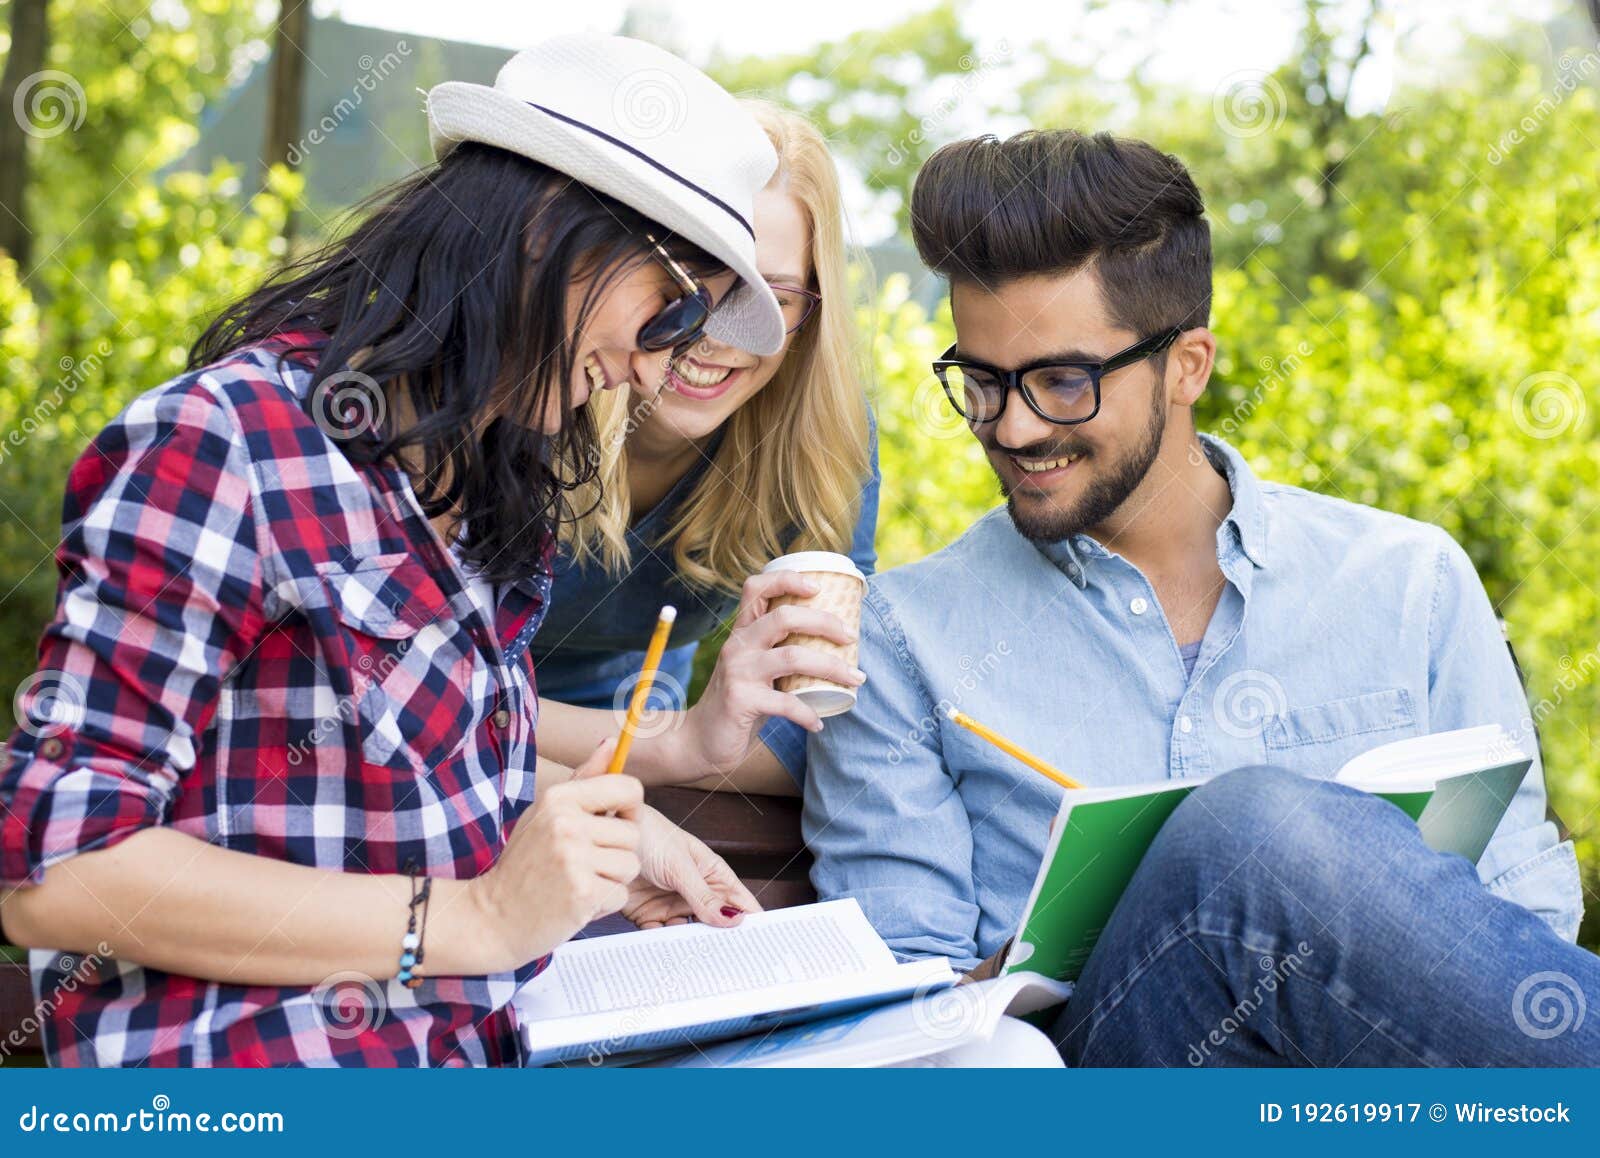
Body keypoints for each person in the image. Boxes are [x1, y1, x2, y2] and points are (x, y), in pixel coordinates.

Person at [0, 34, 777, 1068]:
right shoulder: (225, 442)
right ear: (548, 227)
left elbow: (390, 763)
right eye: (674, 310)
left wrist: (603, 836)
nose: (652, 369)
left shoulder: (492, 475)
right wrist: (472, 920)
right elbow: (55, 873)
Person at [804, 128, 1599, 1065]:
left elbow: (1520, 936)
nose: (1011, 427)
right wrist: (983, 990)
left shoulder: (1408, 583)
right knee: (1248, 835)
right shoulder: (899, 639)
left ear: (1187, 365)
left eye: (1064, 382)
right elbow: (907, 1016)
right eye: (981, 382)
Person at [532, 101, 876, 798]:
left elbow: (822, 726)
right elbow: (412, 693)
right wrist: (678, 745)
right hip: (481, 733)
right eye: (695, 282)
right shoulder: (538, 391)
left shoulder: (819, 439)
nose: (718, 335)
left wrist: (680, 743)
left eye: (771, 297)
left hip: (643, 737)